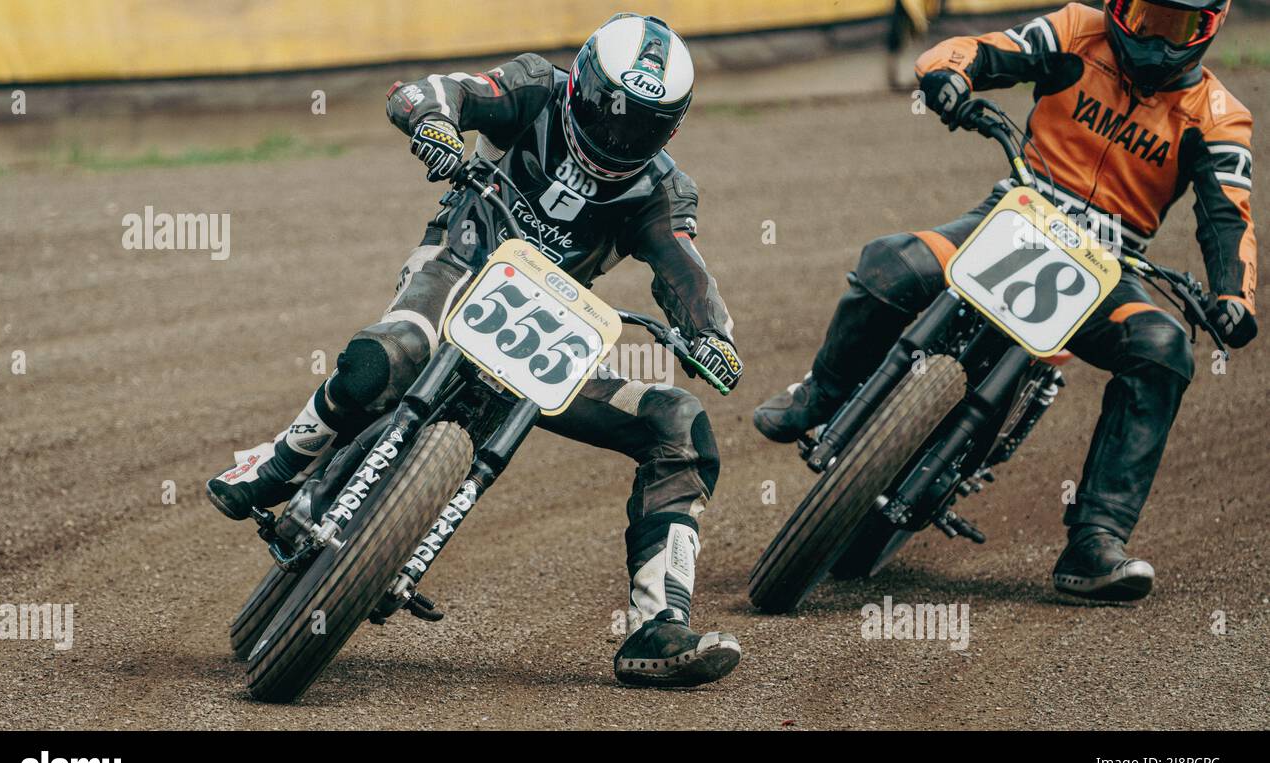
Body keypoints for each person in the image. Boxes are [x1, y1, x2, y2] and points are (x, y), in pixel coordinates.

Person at [208, 14, 745, 686]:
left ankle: (656, 624)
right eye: (609, 113)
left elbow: (683, 268)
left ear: (670, 128)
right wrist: (432, 124)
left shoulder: (661, 189)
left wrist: (710, 333)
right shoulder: (531, 87)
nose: (616, 135)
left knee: (680, 423)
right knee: (390, 353)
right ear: (580, 83)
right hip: (458, 264)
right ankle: (282, 459)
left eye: (640, 125)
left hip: (552, 329)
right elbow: (429, 90)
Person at [754, 0, 1256, 601]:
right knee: (890, 262)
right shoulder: (1076, 29)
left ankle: (1096, 539)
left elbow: (1228, 216)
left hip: (1109, 268)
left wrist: (1234, 295)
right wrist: (950, 75)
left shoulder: (1220, 116)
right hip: (1013, 216)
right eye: (1144, 14)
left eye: (1173, 25)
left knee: (1163, 347)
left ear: (1207, 28)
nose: (1153, 36)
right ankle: (820, 394)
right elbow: (986, 49)